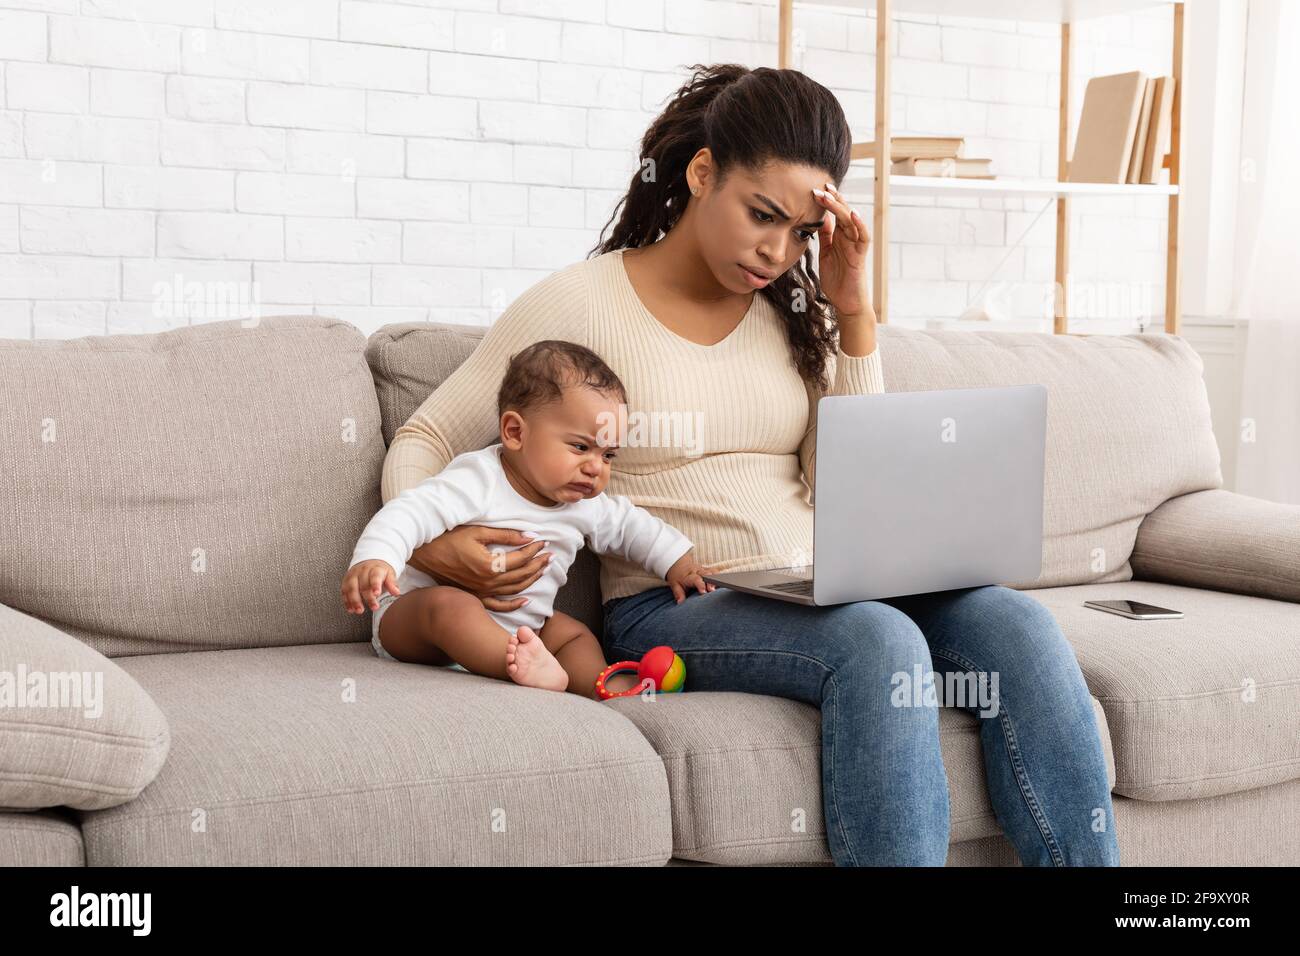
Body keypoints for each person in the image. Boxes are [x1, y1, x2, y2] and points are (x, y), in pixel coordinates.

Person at [378, 63, 1120, 867]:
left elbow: (852, 484)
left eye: (801, 232)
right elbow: (424, 434)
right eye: (762, 215)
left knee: (1018, 623)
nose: (777, 250)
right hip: (681, 600)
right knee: (878, 641)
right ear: (702, 174)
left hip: (821, 580)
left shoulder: (794, 317)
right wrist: (426, 548)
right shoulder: (578, 304)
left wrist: (853, 312)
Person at [341, 339, 715, 698]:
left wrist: (676, 561)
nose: (595, 468)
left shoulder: (584, 504)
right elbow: (410, 511)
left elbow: (630, 526)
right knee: (452, 606)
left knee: (573, 633)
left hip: (524, 628)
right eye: (581, 447)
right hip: (416, 625)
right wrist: (377, 558)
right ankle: (518, 668)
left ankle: (601, 687)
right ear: (515, 432)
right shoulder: (479, 479)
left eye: (607, 455)